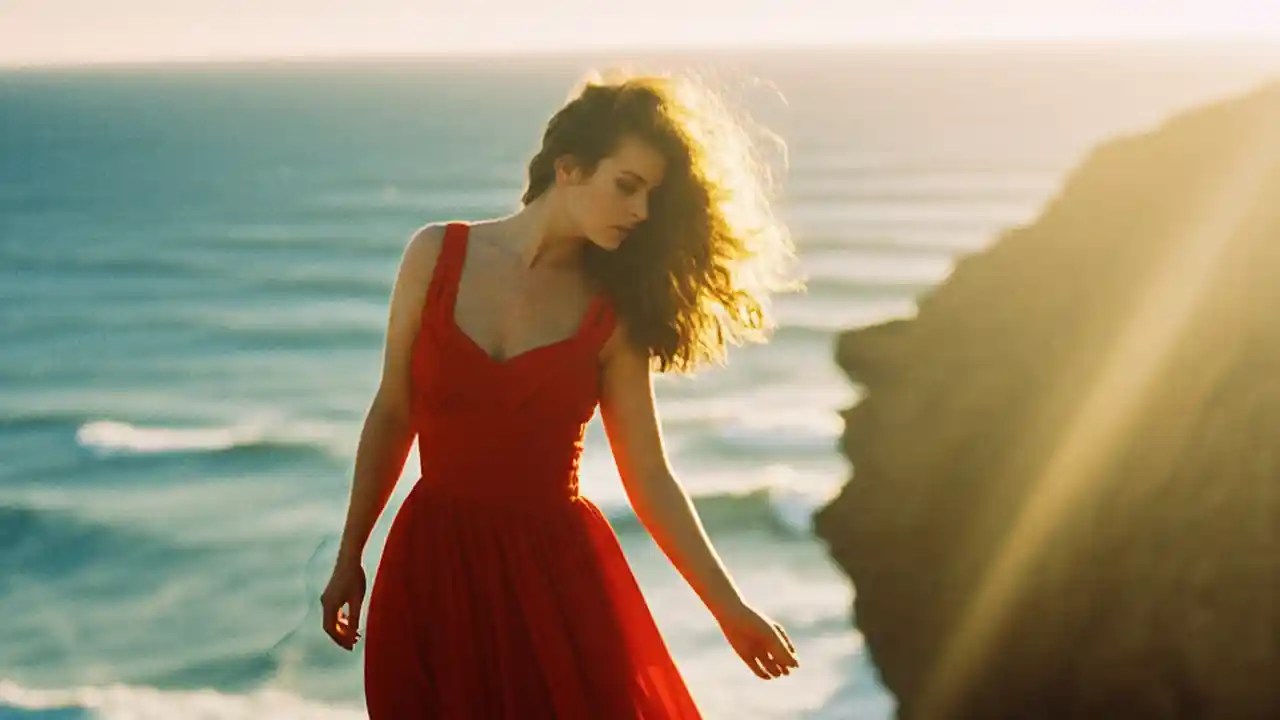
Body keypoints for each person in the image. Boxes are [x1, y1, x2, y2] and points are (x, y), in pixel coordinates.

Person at [320, 68, 804, 718]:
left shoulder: (612, 313)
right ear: (570, 169)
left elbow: (650, 476)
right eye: (627, 187)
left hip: (555, 583)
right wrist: (351, 556)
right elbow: (392, 412)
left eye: (651, 198)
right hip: (432, 568)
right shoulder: (434, 255)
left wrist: (729, 607)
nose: (640, 211)